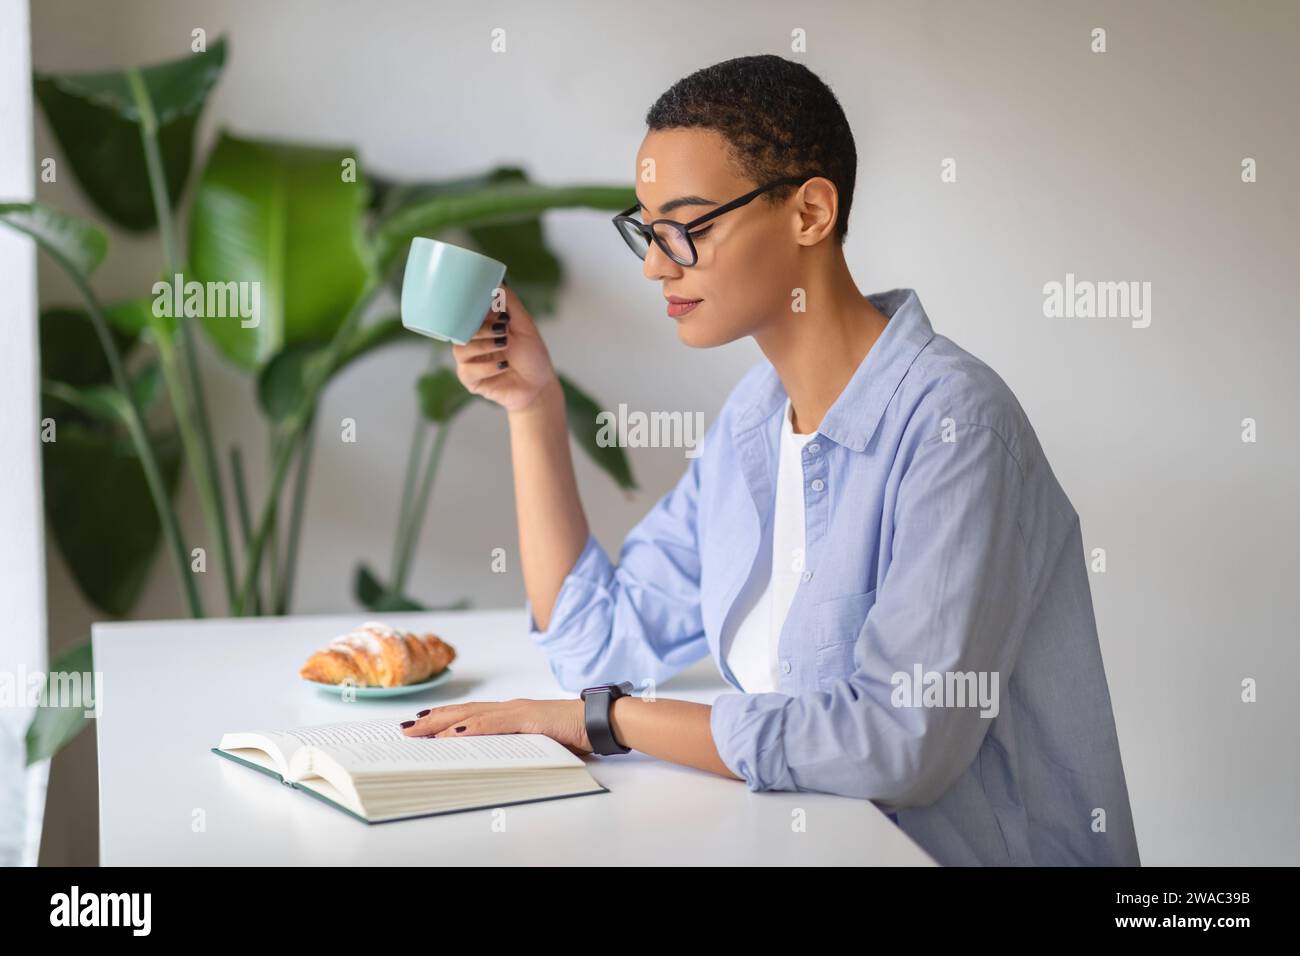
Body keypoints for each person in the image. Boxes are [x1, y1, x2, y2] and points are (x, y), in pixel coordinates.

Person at [400, 54, 1140, 867]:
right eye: (645, 227)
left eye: (689, 225)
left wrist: (602, 722)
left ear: (810, 212)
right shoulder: (753, 422)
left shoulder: (954, 428)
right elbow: (597, 647)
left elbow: (899, 743)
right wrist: (534, 406)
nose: (654, 263)